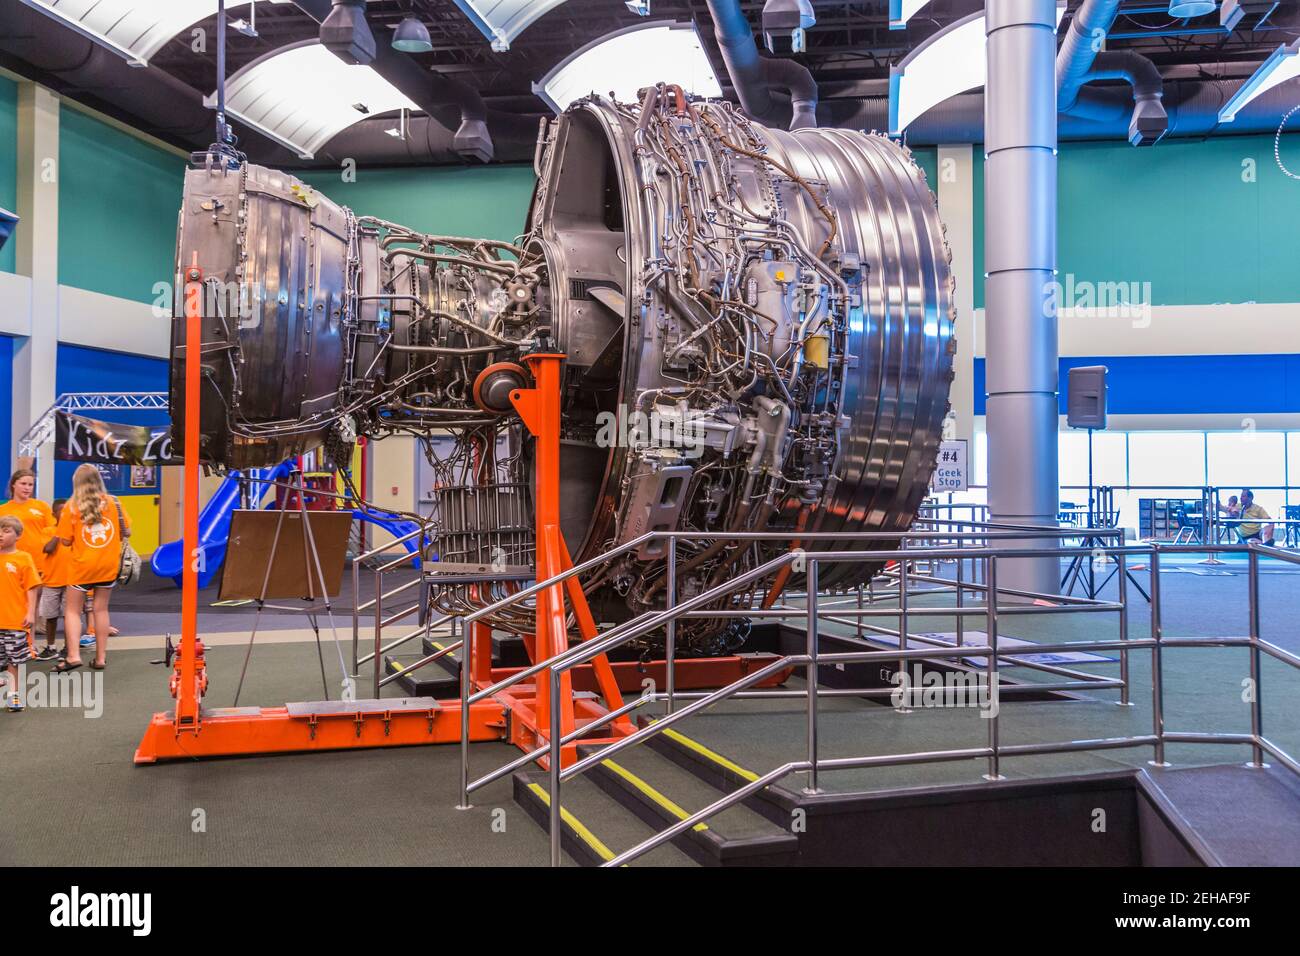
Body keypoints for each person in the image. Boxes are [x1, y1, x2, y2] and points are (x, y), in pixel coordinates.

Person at [53, 465, 130, 672]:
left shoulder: (71, 507)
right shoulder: (113, 503)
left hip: (81, 567)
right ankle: (101, 658)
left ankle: (73, 655)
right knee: (101, 609)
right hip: (107, 565)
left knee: (72, 611)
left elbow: (66, 541)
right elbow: (126, 531)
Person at [0, 515, 41, 710]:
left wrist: (31, 612)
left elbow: (31, 588)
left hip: (15, 620)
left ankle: (13, 695)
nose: (0, 534)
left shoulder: (23, 558)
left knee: (13, 660)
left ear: (18, 536)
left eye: (6, 531)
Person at [35, 498, 69, 661]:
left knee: (70, 616)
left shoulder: (74, 531)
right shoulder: (48, 531)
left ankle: (69, 647)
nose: (64, 514)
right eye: (61, 511)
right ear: (54, 514)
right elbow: (48, 548)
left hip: (70, 580)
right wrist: (59, 531)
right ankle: (51, 646)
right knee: (50, 616)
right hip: (51, 581)